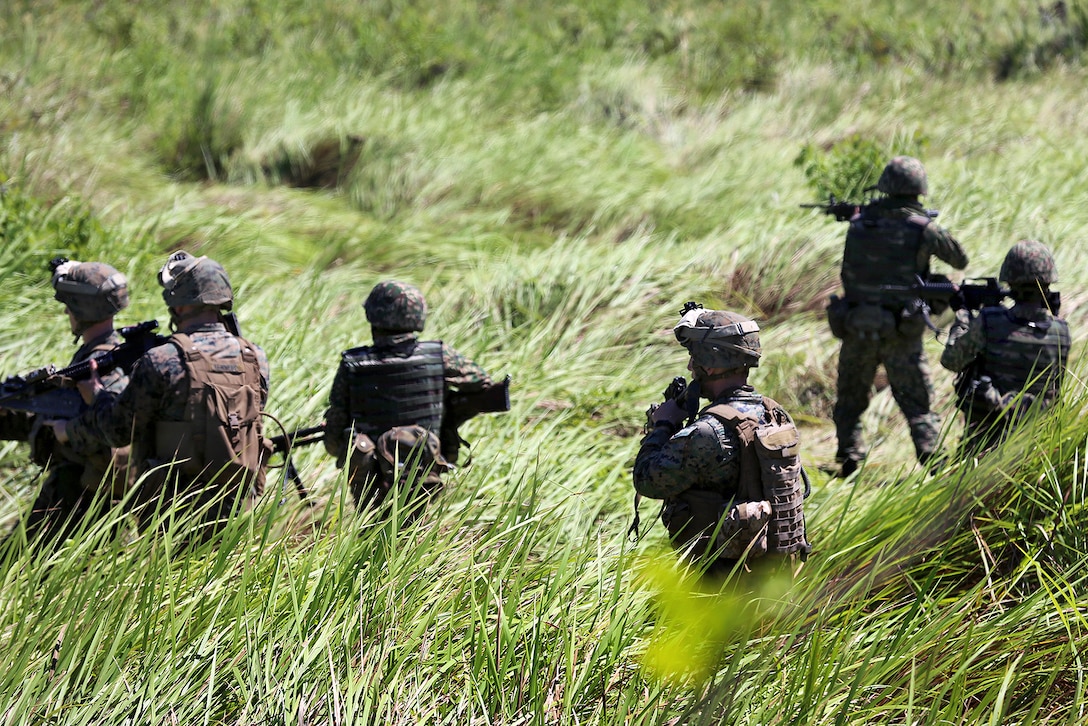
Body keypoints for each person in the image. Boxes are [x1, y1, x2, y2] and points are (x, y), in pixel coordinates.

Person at [53, 251, 270, 541]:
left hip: (174, 517)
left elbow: (118, 431)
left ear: (177, 306)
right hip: (240, 507)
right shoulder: (255, 357)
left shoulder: (162, 360)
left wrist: (94, 398)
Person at [633, 306, 809, 575]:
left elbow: (648, 481)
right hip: (772, 572)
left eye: (695, 357)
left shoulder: (709, 431)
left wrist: (664, 425)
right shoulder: (774, 414)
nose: (690, 366)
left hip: (721, 581)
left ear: (712, 363)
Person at [829, 156, 969, 476]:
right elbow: (960, 259)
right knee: (918, 406)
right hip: (901, 333)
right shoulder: (922, 228)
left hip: (857, 326)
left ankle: (848, 462)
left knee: (849, 401)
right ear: (918, 191)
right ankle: (935, 466)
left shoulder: (860, 223)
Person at [323, 280, 494, 516]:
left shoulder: (354, 364)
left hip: (370, 474)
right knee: (416, 530)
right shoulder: (439, 355)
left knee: (371, 532)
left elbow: (336, 428)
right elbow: (483, 383)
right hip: (423, 465)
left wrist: (335, 443)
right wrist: (449, 411)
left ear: (373, 316)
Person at [1, 260, 131, 548]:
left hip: (78, 494)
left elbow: (113, 434)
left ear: (80, 309)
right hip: (95, 494)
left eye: (69, 305)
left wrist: (67, 430)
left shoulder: (99, 367)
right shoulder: (113, 355)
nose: (65, 311)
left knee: (11, 564)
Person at [940, 240, 1070, 453]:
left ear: (1010, 281)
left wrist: (963, 314)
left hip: (984, 446)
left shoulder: (989, 322)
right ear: (1047, 284)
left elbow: (951, 360)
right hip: (1037, 446)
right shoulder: (1061, 333)